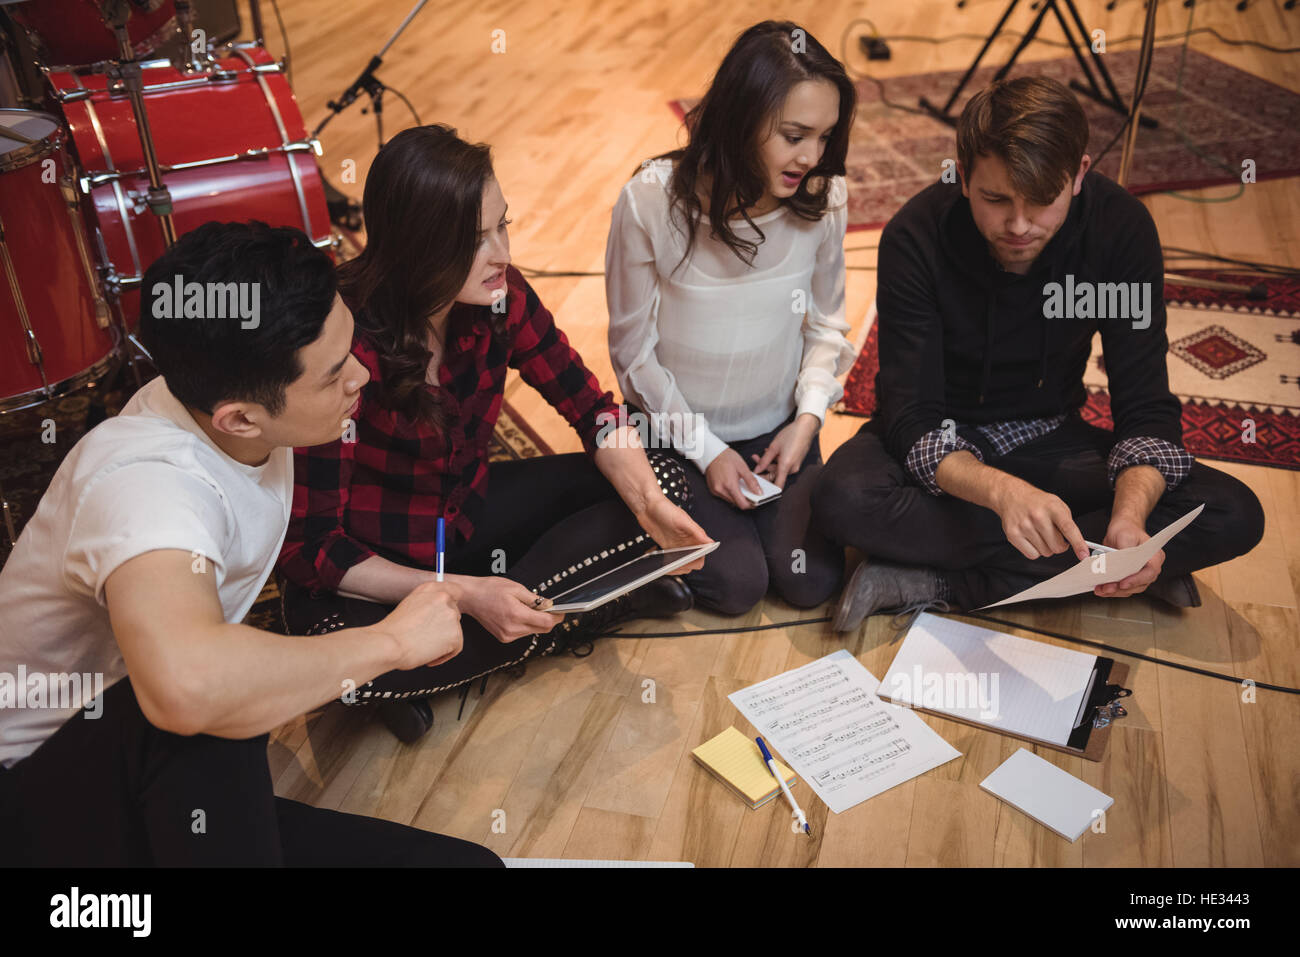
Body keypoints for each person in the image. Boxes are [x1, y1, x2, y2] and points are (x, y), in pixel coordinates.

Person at [0, 221, 500, 865]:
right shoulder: (147, 486)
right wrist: (392, 643)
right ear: (238, 417)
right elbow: (191, 686)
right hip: (34, 804)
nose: (360, 377)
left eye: (350, 349)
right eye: (332, 376)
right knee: (211, 697)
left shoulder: (245, 413)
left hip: (143, 778)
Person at [277, 125, 711, 742]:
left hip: (470, 525)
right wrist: (466, 594)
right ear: (416, 247)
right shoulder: (343, 345)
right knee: (332, 653)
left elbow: (594, 411)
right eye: (474, 241)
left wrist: (648, 506)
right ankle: (579, 609)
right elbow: (313, 545)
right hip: (383, 570)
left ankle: (490, 637)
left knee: (662, 477)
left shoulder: (502, 298)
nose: (501, 253)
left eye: (502, 226)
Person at [814, 76, 1265, 630]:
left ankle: (938, 580)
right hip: (945, 444)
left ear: (1078, 174)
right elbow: (911, 419)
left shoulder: (1120, 229)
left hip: (1051, 436)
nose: (1020, 225)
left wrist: (1130, 516)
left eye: (1042, 201)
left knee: (1233, 511)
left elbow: (1145, 405)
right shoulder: (916, 235)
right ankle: (1099, 566)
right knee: (844, 501)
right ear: (962, 175)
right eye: (996, 198)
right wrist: (1003, 494)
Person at [604, 19, 855, 617]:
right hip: (678, 430)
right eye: (795, 135)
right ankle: (630, 507)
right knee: (738, 585)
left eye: (824, 136)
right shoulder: (651, 201)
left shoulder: (825, 201)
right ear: (742, 119)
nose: (812, 157)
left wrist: (809, 420)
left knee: (809, 581)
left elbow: (826, 326)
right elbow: (632, 354)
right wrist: (707, 448)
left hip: (777, 431)